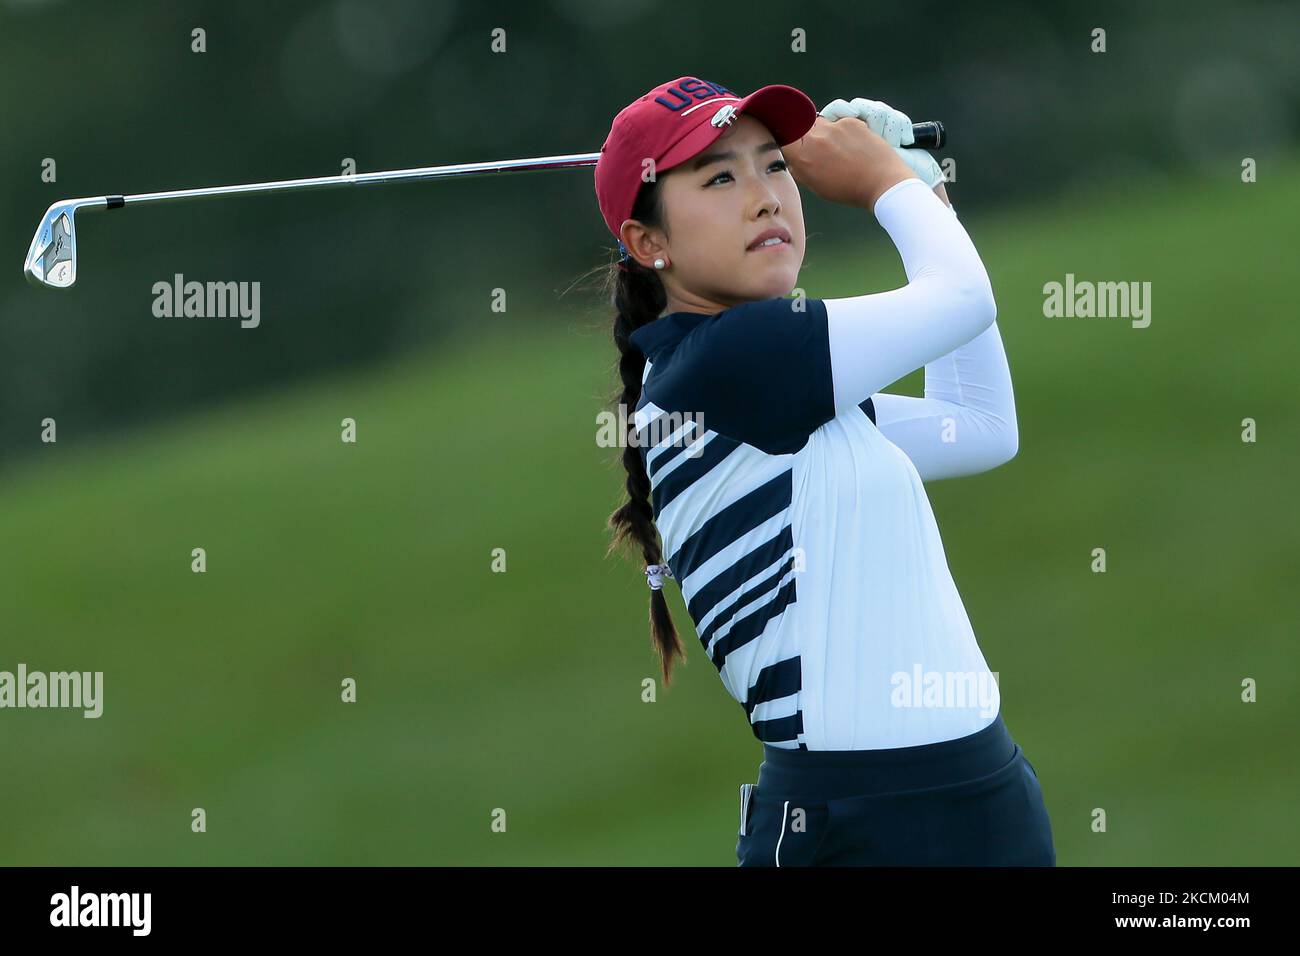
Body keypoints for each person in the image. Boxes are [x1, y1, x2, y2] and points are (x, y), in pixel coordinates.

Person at [591, 76, 1055, 866]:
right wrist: (888, 183)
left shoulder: (776, 388)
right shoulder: (733, 361)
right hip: (860, 826)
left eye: (775, 165)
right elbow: (963, 296)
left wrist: (924, 191)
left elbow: (979, 425)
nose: (767, 197)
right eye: (720, 177)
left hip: (984, 796)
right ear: (648, 244)